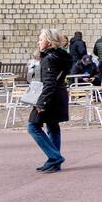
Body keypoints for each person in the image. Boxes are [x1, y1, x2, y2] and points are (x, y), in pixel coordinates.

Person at [28, 29, 72, 173]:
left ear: (49, 41)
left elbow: (49, 83)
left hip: (49, 97)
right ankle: (54, 162)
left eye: (41, 39)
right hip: (59, 95)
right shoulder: (62, 56)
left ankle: (55, 157)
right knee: (52, 127)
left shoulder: (49, 58)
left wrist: (41, 104)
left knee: (33, 127)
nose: (38, 42)